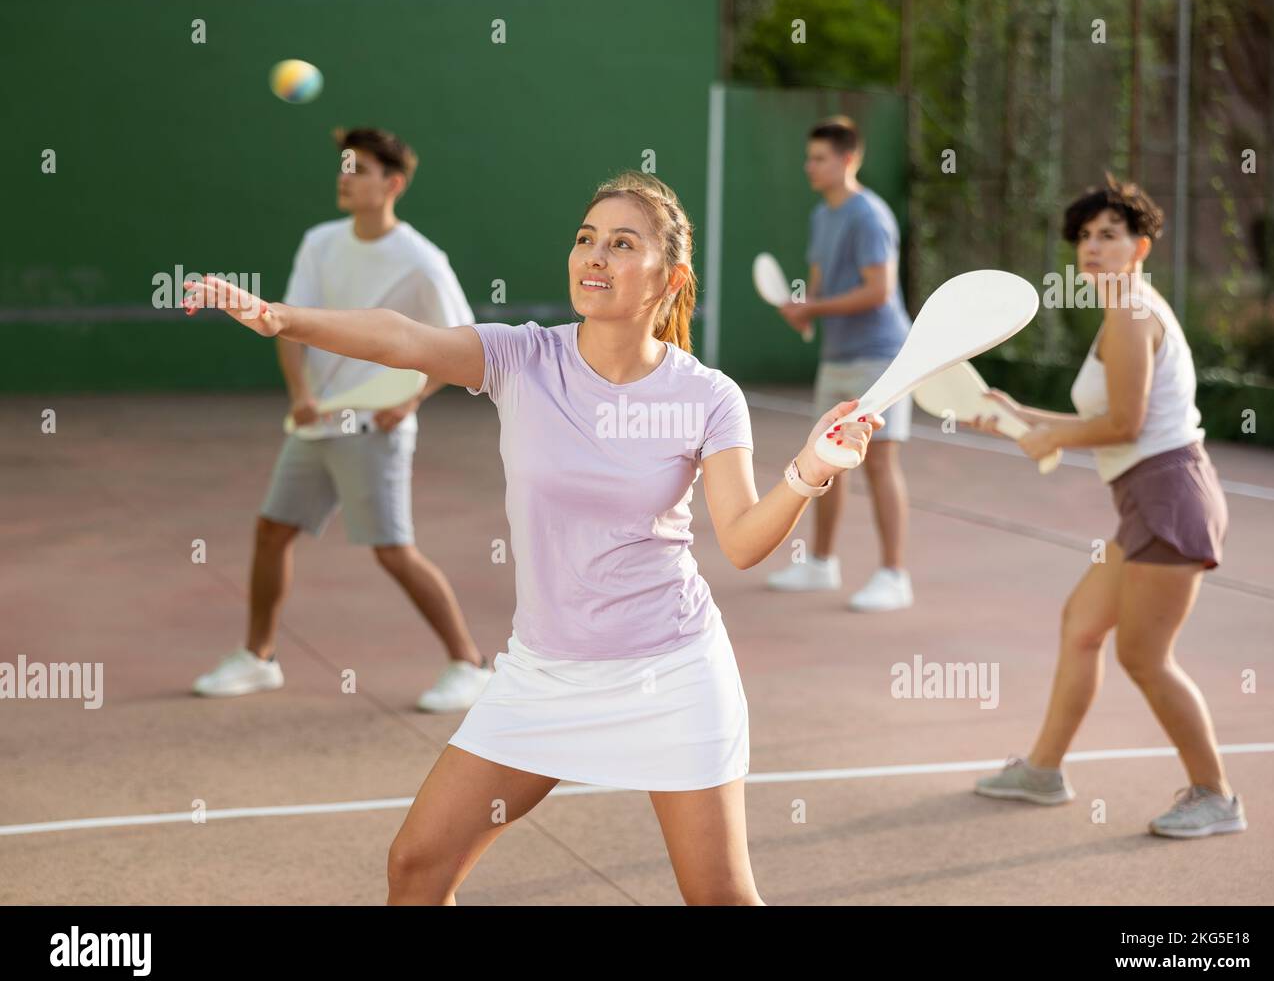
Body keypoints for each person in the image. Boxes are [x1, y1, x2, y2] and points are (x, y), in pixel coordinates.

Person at [182, 171, 882, 905]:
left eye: (620, 244)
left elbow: (740, 540)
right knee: (417, 867)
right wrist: (280, 318)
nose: (594, 257)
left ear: (669, 278)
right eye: (585, 240)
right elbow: (405, 338)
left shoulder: (705, 396)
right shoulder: (523, 358)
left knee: (720, 898)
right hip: (543, 675)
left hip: (671, 672)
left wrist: (810, 469)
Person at [970, 174, 1243, 839]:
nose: (1093, 248)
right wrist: (1019, 414)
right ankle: (1043, 772)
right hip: (1148, 501)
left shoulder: (1131, 313)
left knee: (1145, 658)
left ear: (1139, 247)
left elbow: (1124, 423)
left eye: (1110, 235)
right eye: (1086, 237)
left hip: (1169, 498)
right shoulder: (1123, 309)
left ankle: (1216, 795)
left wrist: (1050, 435)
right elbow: (1104, 416)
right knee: (1082, 624)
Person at [191, 127, 488, 714]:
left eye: (359, 169)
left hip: (375, 429)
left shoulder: (423, 263)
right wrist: (300, 393)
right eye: (343, 166)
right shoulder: (319, 242)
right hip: (317, 425)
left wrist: (409, 401)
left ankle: (469, 663)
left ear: (393, 183)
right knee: (273, 529)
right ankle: (258, 658)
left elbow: (461, 345)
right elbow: (284, 321)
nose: (344, 177)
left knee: (392, 550)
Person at [766, 116, 915, 611]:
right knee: (826, 460)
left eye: (819, 158)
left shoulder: (869, 215)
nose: (810, 166)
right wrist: (802, 308)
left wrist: (814, 309)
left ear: (848, 160)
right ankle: (821, 564)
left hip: (882, 356)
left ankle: (894, 575)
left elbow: (879, 291)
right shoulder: (821, 216)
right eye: (808, 157)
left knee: (879, 461)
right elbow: (818, 284)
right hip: (837, 356)